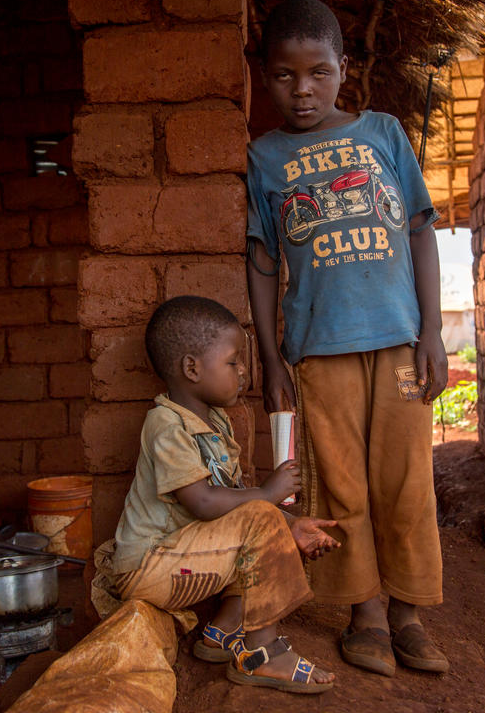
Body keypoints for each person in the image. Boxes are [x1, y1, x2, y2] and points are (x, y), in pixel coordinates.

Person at [245, 0, 450, 678]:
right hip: (319, 351)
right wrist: (271, 357)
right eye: (283, 75)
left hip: (397, 341)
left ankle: (408, 611)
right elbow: (264, 262)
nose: (302, 90)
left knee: (405, 478)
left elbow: (420, 234)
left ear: (343, 68)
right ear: (263, 75)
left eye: (318, 72)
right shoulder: (266, 159)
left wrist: (434, 332)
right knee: (341, 485)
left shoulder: (384, 134)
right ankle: (363, 612)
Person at [91, 295, 341, 694]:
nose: (243, 371)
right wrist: (270, 495)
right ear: (192, 368)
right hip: (149, 566)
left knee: (262, 517)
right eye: (232, 361)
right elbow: (203, 502)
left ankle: (221, 633)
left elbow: (234, 498)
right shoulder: (166, 424)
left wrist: (290, 524)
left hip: (182, 556)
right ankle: (263, 655)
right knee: (260, 514)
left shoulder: (216, 421)